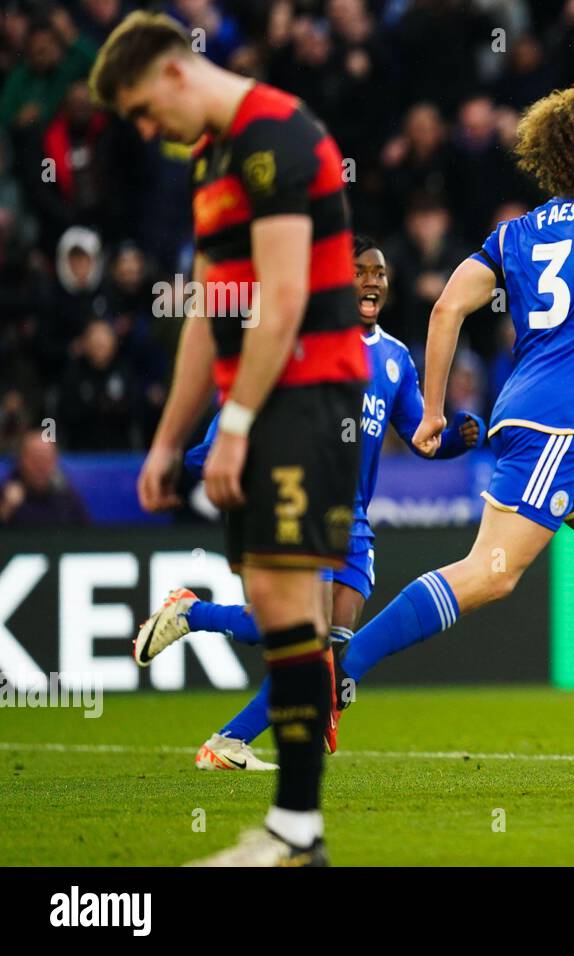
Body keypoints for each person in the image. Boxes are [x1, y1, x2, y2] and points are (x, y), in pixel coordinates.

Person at [336, 79, 574, 775]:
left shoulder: (515, 232)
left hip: (551, 424)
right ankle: (342, 665)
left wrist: (430, 409)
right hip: (558, 428)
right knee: (490, 574)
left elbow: (445, 309)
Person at [93, 11, 364, 865]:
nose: (146, 131)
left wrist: (238, 426)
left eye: (142, 110)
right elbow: (212, 313)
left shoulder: (277, 135)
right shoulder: (211, 160)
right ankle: (297, 832)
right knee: (283, 610)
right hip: (257, 401)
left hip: (309, 395)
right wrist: (169, 440)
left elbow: (282, 299)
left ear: (174, 75)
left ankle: (294, 830)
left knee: (295, 608)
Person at [133, 236, 483, 771]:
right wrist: (201, 459)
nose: (373, 280)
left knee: (331, 655)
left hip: (356, 521)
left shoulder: (394, 360)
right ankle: (222, 720)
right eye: (361, 270)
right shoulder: (304, 341)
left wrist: (457, 435)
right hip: (302, 506)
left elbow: (421, 436)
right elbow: (243, 396)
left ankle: (194, 625)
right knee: (311, 643)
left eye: (381, 273)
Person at [0, 429, 90, 527]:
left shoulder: (65, 494)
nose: (41, 466)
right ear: (21, 460)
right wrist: (6, 508)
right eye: (36, 459)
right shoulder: (6, 493)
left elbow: (85, 535)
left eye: (47, 459)